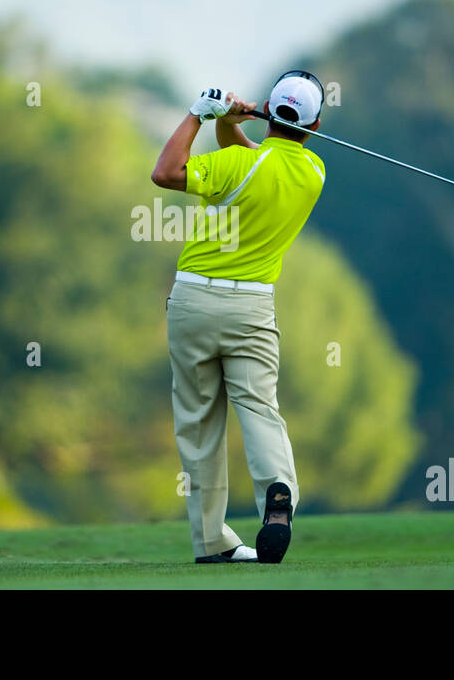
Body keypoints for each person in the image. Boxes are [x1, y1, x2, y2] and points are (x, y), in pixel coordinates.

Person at [150, 70, 327, 563]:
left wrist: (196, 114)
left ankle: (211, 542)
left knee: (200, 423)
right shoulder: (313, 172)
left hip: (194, 304)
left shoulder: (233, 165)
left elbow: (166, 172)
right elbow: (258, 161)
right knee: (260, 409)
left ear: (270, 109)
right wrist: (232, 118)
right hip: (251, 309)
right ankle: (277, 494)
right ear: (314, 125)